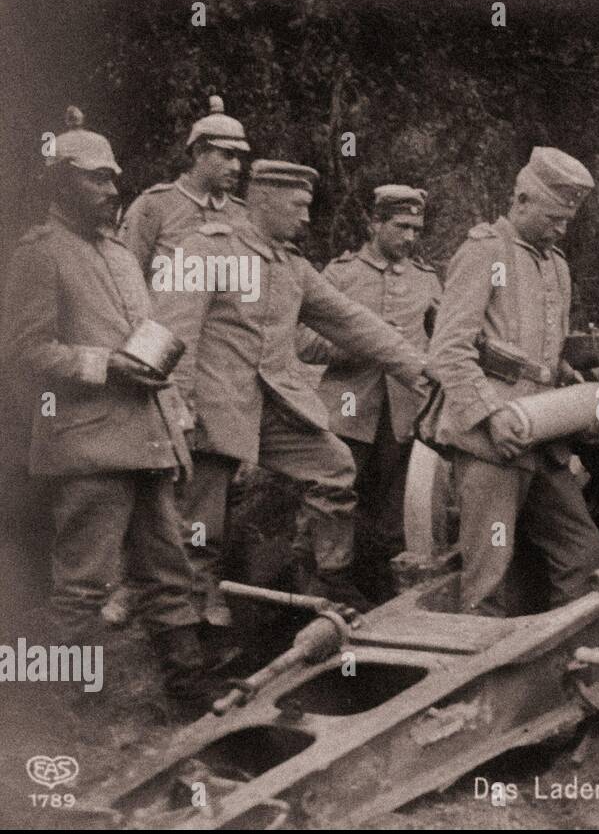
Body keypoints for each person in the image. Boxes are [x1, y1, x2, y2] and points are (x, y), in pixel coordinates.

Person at [151, 159, 438, 614]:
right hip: (211, 406)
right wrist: (177, 405)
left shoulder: (291, 266)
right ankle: (193, 619)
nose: (307, 217)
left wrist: (424, 371)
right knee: (201, 523)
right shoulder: (206, 251)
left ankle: (328, 580)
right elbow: (173, 333)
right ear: (263, 200)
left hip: (273, 407)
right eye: (299, 205)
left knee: (334, 466)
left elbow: (354, 323)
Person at [6, 107, 208, 706]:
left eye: (111, 177)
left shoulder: (120, 253)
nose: (110, 188)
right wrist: (104, 364)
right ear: (59, 180)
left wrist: (171, 405)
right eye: (95, 178)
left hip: (147, 438)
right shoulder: (39, 254)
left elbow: (141, 332)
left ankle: (190, 691)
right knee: (85, 582)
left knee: (169, 572)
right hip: (88, 446)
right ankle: (69, 704)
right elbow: (23, 351)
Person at [426, 147, 599, 616]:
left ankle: (569, 661)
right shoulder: (485, 252)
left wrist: (569, 385)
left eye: (567, 219)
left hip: (544, 436)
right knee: (489, 577)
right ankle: (478, 685)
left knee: (584, 555)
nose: (561, 228)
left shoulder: (556, 265)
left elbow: (546, 353)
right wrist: (489, 415)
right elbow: (449, 349)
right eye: (553, 217)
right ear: (522, 200)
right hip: (494, 442)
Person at [297, 184, 442, 600]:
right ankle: (327, 587)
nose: (411, 237)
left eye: (417, 228)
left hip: (404, 414)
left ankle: (387, 594)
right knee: (332, 497)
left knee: (395, 511)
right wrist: (365, 342)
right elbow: (303, 343)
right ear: (374, 223)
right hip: (348, 409)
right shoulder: (340, 275)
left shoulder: (426, 279)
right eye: (401, 226)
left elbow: (445, 339)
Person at [118, 95, 250, 274]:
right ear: (199, 152)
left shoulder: (242, 214)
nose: (236, 166)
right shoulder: (153, 206)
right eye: (227, 155)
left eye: (239, 158)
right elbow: (125, 279)